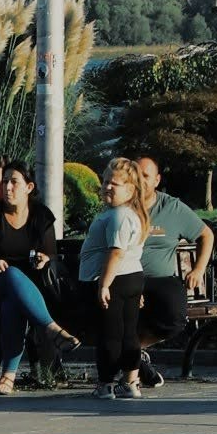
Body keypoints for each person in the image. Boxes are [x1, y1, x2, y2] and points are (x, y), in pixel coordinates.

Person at [0, 163, 74, 394]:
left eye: (14, 182)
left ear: (29, 187)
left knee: (12, 305)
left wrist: (44, 259)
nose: (7, 187)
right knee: (12, 274)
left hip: (24, 294)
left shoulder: (41, 216)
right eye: (5, 181)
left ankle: (8, 377)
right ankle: (52, 328)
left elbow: (52, 255)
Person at [131, 157, 214, 389]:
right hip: (127, 277)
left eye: (146, 176)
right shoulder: (121, 206)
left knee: (175, 316)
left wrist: (199, 269)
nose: (140, 180)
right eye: (136, 174)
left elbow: (206, 235)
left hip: (160, 280)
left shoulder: (171, 207)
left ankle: (135, 349)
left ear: (157, 180)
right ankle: (132, 362)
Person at [79, 158, 147, 398]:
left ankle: (106, 383)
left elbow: (116, 252)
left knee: (110, 334)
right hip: (131, 278)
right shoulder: (130, 214)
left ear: (130, 190)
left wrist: (104, 284)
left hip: (115, 280)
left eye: (114, 184)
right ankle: (131, 382)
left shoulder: (119, 216)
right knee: (128, 333)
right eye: (106, 181)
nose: (107, 186)